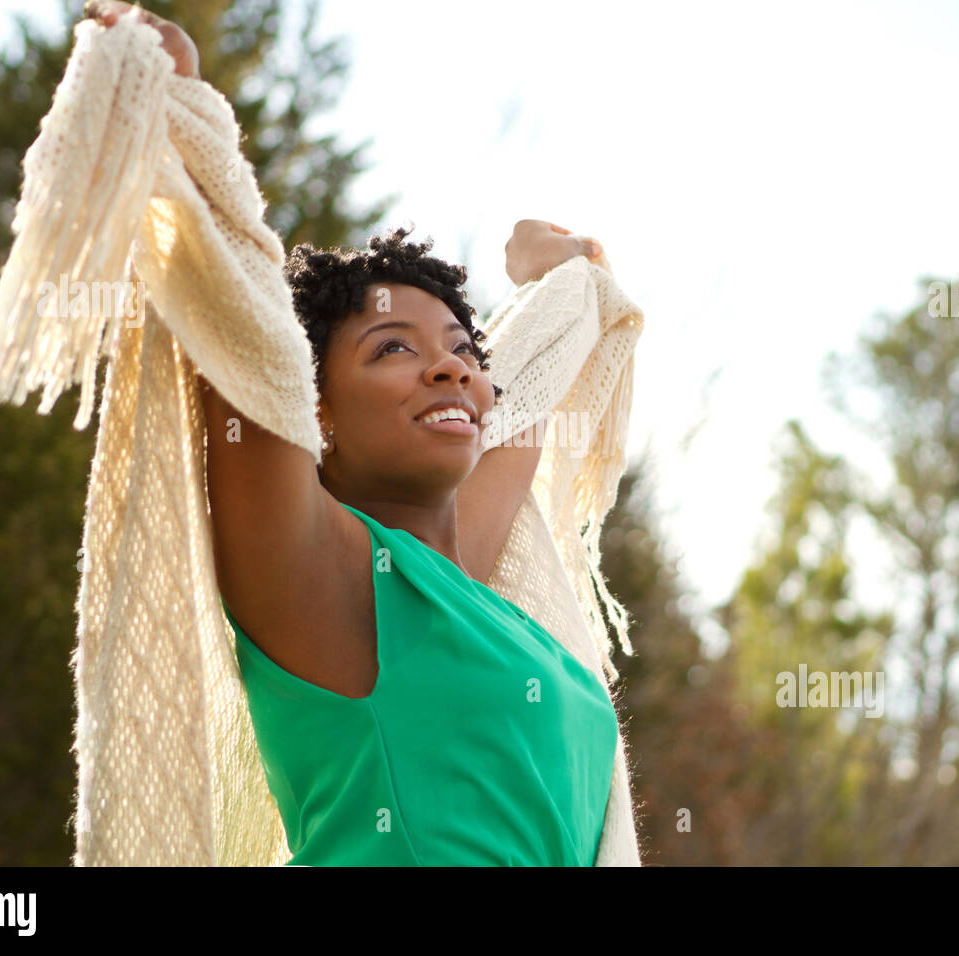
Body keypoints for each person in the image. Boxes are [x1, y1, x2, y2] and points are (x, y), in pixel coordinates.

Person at [84, 0, 632, 866]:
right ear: (317, 413)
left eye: (460, 349)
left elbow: (525, 390)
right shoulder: (326, 577)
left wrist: (551, 269)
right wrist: (187, 111)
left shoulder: (460, 586)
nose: (451, 369)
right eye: (392, 350)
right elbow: (246, 337)